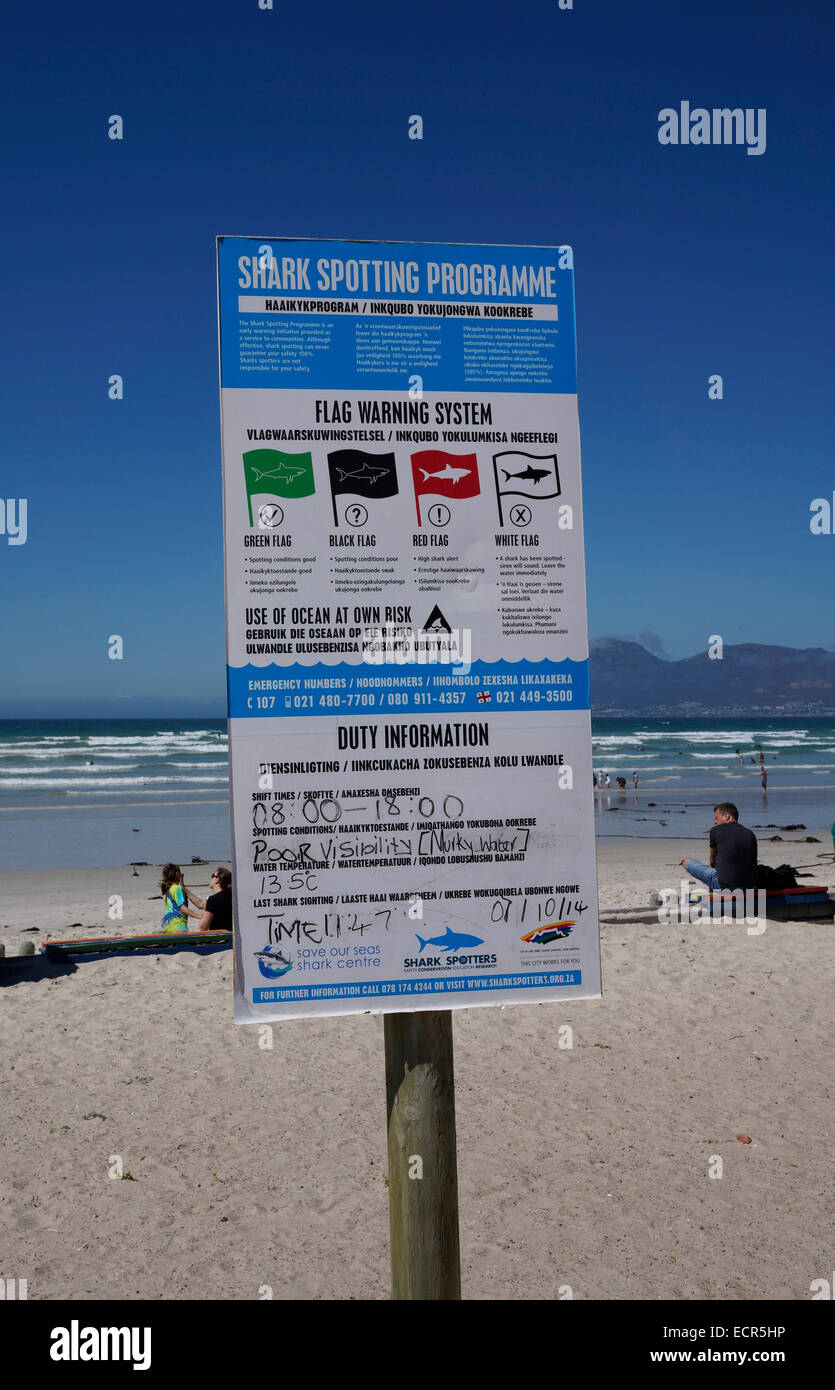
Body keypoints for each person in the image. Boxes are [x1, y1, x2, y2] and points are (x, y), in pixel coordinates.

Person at [681, 803, 758, 892]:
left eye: (716, 818)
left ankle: (715, 892)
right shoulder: (750, 833)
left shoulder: (715, 830)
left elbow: (712, 860)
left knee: (687, 862)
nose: (715, 822)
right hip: (751, 886)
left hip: (725, 887)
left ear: (727, 816)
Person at [184, 867, 233, 932]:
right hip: (231, 938)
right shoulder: (232, 897)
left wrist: (205, 908)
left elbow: (203, 926)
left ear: (217, 879)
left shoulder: (213, 900)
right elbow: (200, 903)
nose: (211, 878)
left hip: (219, 939)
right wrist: (184, 888)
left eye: (212, 876)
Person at [160, 864, 203, 933]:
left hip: (167, 924)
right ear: (177, 874)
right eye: (180, 873)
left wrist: (181, 883)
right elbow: (182, 908)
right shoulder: (177, 888)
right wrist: (198, 916)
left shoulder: (167, 890)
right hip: (178, 924)